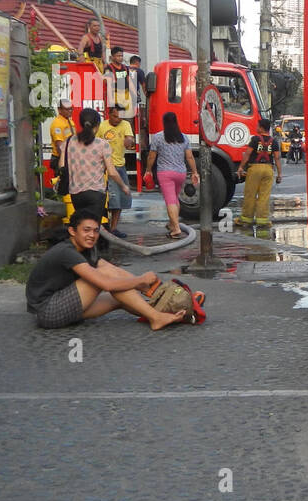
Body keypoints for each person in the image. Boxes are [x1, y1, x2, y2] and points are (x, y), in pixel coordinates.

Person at [26, 208, 186, 331]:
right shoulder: (66, 252)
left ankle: (163, 311)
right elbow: (107, 284)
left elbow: (114, 270)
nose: (92, 235)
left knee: (120, 297)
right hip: (48, 311)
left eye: (95, 231)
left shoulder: (87, 248)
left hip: (65, 304)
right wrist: (141, 280)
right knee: (108, 279)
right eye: (86, 230)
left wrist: (148, 288)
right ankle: (156, 318)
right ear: (72, 231)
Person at [62, 107, 129, 226]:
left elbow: (61, 165)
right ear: (97, 125)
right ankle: (93, 244)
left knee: (82, 225)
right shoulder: (102, 144)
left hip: (76, 193)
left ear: (81, 123)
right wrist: (123, 186)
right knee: (93, 226)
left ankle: (83, 244)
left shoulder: (69, 142)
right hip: (96, 193)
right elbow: (112, 172)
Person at [146, 110, 199, 240]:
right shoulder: (183, 137)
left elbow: (152, 156)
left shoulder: (158, 137)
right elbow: (190, 157)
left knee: (170, 201)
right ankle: (172, 223)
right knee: (175, 199)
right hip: (180, 173)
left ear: (164, 123)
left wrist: (148, 170)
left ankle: (176, 229)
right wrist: (194, 172)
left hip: (165, 173)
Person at [97, 102, 136, 238]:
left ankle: (113, 229)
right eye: (115, 117)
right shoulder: (102, 126)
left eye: (120, 117)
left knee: (120, 199)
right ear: (109, 115)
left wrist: (129, 141)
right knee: (109, 200)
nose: (117, 120)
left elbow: (129, 138)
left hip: (120, 166)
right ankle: (103, 228)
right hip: (105, 168)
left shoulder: (125, 125)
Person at [237, 118, 281, 229]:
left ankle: (246, 220)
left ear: (261, 128)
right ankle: (262, 221)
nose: (256, 128)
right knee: (264, 196)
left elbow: (247, 154)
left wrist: (241, 167)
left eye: (257, 126)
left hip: (255, 169)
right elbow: (277, 158)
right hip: (268, 170)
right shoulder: (274, 141)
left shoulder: (255, 139)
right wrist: (279, 174)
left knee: (250, 194)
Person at [49, 97, 75, 193]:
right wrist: (64, 162)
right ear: (59, 110)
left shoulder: (69, 121)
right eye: (67, 109)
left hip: (70, 158)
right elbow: (60, 146)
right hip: (61, 159)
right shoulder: (57, 124)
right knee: (62, 187)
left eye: (71, 108)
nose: (70, 111)